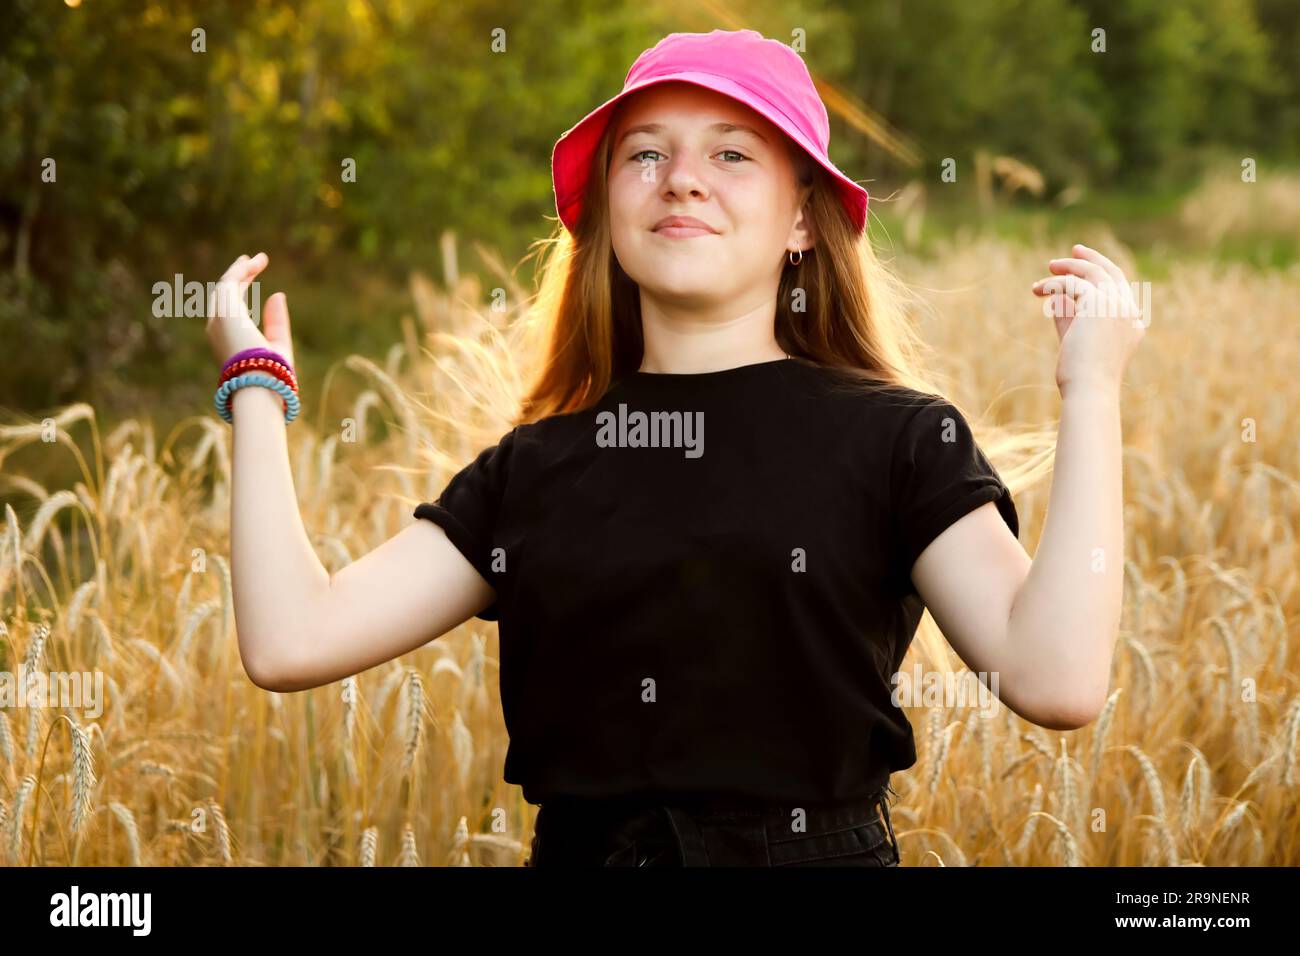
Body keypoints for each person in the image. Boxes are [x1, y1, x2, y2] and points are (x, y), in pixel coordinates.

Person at [206, 29, 1145, 867]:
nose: (681, 178)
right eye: (644, 154)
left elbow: (1054, 678)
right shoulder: (534, 470)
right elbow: (293, 640)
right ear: (611, 216)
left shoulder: (899, 441)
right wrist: (255, 387)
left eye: (731, 153)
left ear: (802, 220)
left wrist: (1092, 387)